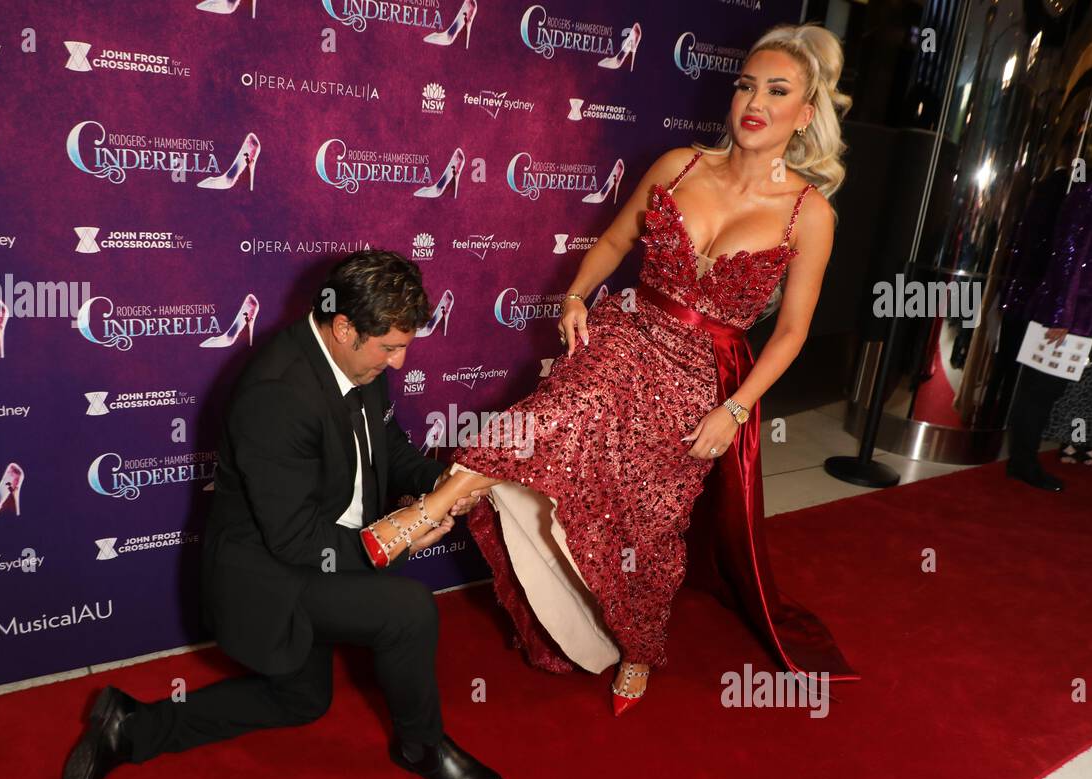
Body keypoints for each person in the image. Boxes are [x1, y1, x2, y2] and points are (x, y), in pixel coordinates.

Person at [354, 23, 860, 713]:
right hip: (630, 332)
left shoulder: (810, 213)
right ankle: (426, 513)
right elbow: (618, 238)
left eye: (777, 91)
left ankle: (642, 649)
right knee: (549, 416)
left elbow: (793, 331)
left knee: (648, 521)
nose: (755, 101)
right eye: (747, 84)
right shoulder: (680, 165)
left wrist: (735, 407)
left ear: (806, 114)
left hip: (699, 377)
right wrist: (574, 294)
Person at [61, 251, 502, 779]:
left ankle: (130, 726)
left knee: (301, 701)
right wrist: (401, 536)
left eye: (405, 345)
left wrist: (441, 481)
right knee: (408, 610)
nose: (398, 362)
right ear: (343, 327)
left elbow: (386, 449)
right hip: (267, 571)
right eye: (390, 347)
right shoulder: (278, 392)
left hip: (314, 548)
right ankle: (422, 749)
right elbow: (296, 543)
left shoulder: (356, 363)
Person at [1008, 135, 1092, 491]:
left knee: (1048, 388)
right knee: (1039, 389)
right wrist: (1060, 315)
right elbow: (1068, 259)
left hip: (1081, 315)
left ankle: (1023, 460)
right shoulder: (1089, 195)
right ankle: (1022, 462)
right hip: (1066, 316)